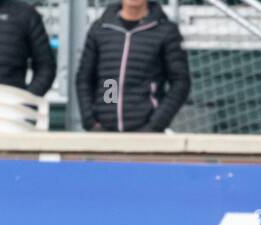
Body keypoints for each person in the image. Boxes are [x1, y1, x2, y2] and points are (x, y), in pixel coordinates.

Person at [75, 0, 189, 133]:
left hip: (146, 135)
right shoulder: (100, 29)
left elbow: (180, 82)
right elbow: (84, 79)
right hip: (103, 132)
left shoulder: (166, 31)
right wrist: (91, 122)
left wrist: (155, 125)